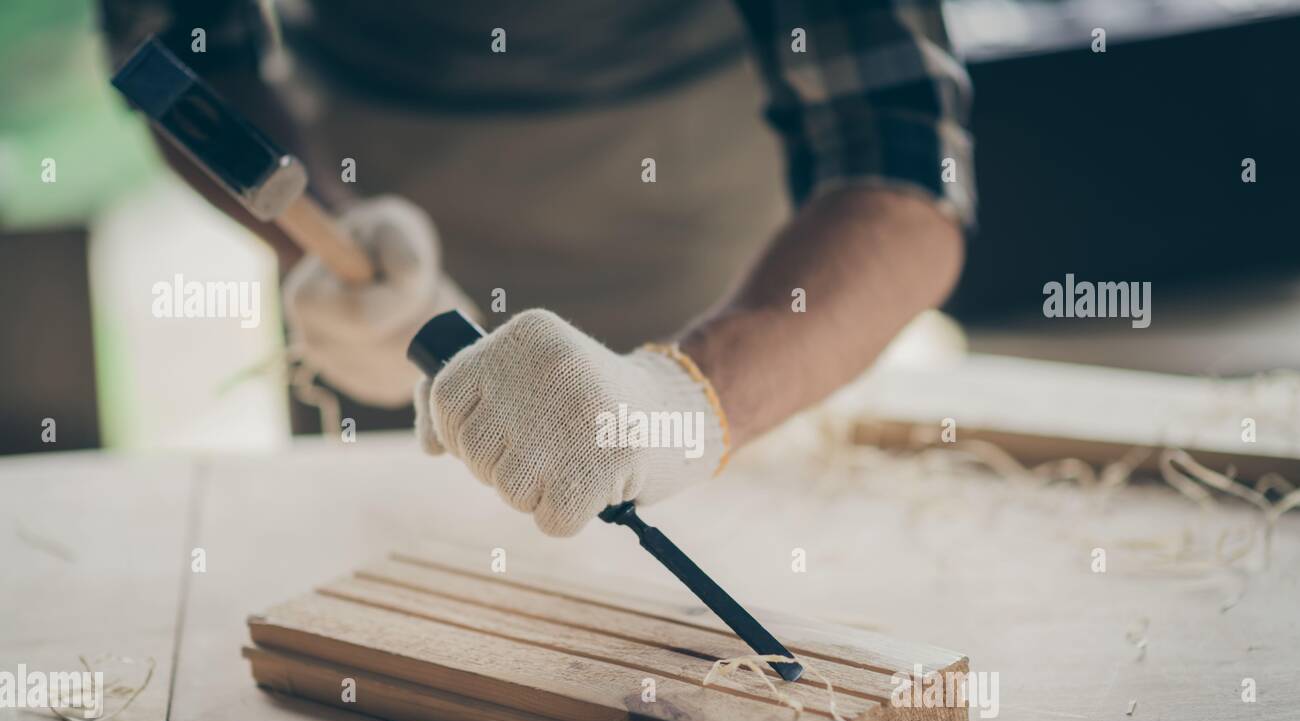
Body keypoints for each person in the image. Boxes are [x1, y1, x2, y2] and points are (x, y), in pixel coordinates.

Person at [102, 0, 974, 536]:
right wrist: (329, 245)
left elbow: (902, 161)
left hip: (714, 234)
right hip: (358, 174)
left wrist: (683, 408)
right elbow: (176, 52)